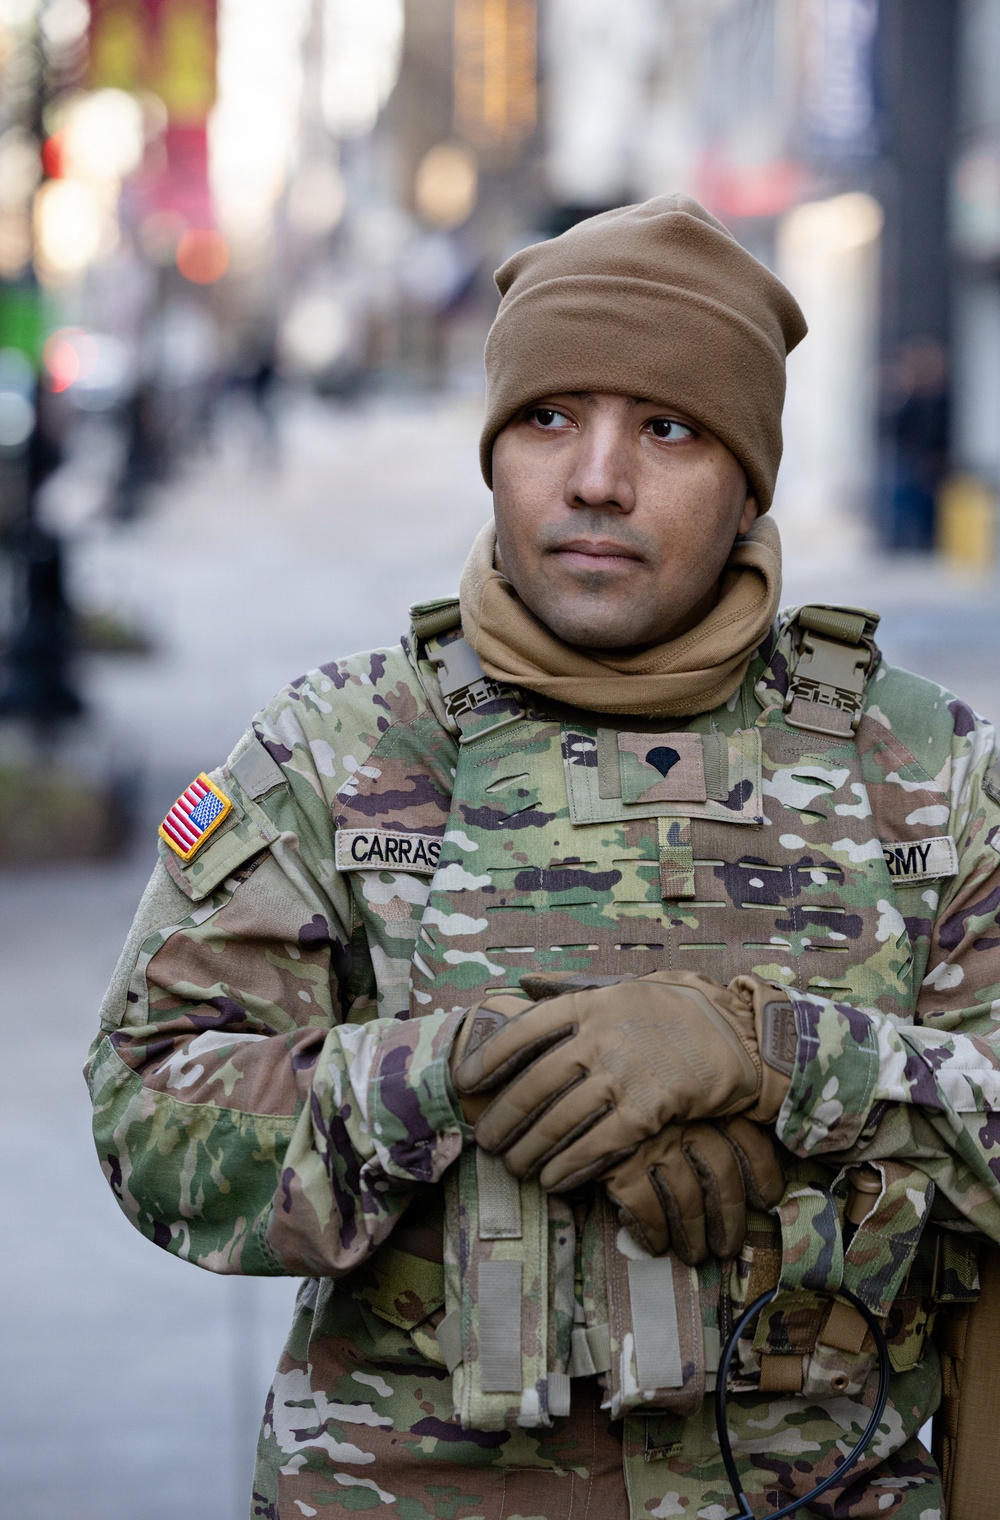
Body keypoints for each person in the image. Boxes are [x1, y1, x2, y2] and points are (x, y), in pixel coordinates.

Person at [86, 196, 1000, 1520]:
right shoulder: (337, 751)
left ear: (750, 476)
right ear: (495, 451)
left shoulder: (922, 770)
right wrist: (453, 1082)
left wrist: (773, 1061)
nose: (596, 480)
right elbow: (148, 1112)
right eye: (548, 418)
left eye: (671, 428)